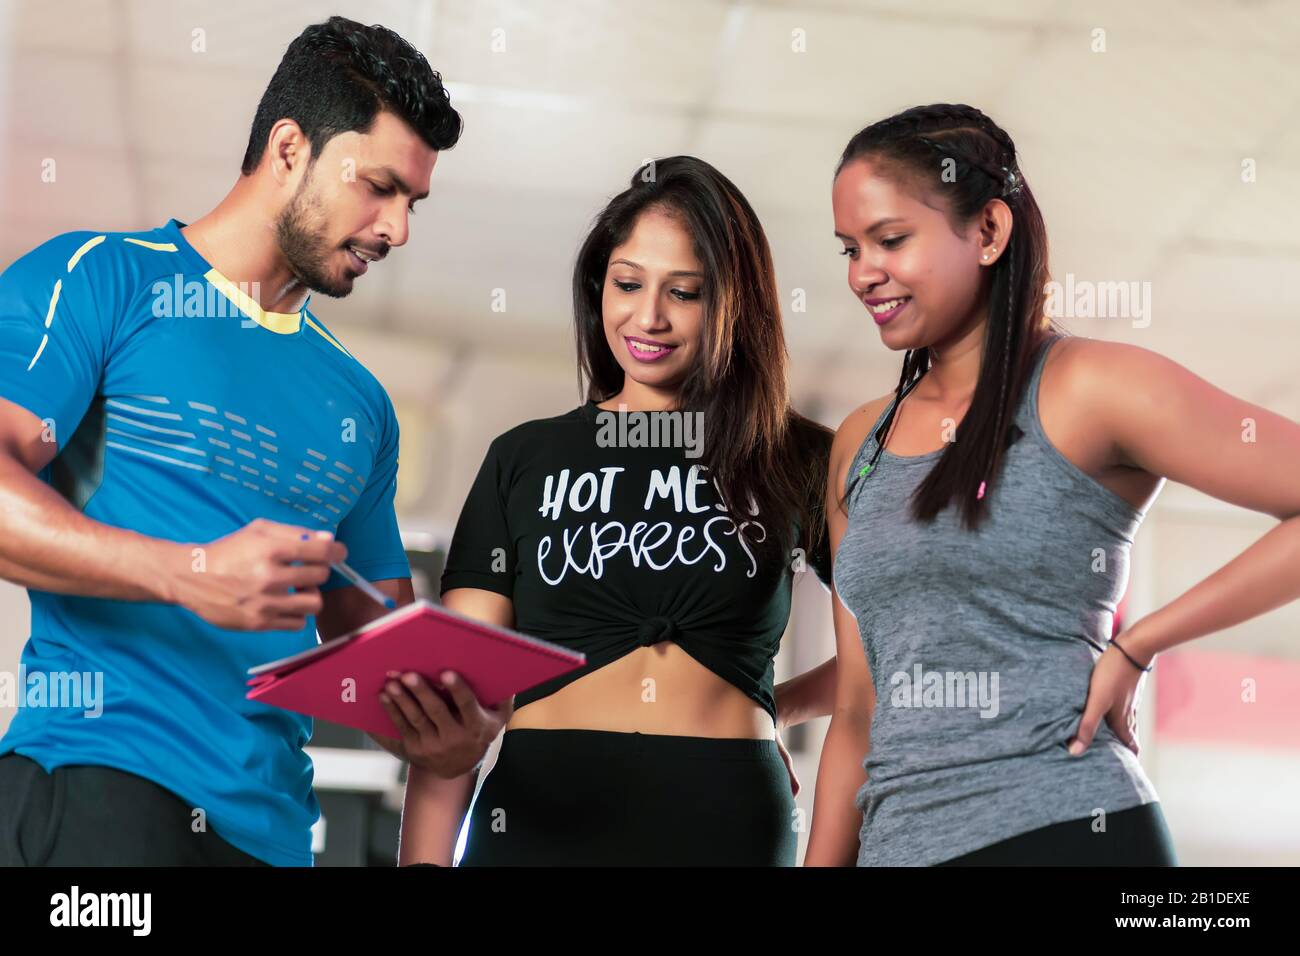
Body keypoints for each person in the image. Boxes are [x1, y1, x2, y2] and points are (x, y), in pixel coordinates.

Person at [0, 16, 506, 867]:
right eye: (378, 186)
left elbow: (374, 650)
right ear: (287, 149)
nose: (398, 229)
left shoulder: (361, 406)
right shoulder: (101, 277)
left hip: (273, 840)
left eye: (412, 201)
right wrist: (188, 573)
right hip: (99, 792)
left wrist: (445, 735)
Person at [805, 103, 1300, 867]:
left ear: (989, 233)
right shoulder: (858, 445)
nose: (863, 272)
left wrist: (1141, 643)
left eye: (891, 239)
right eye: (849, 248)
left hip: (1063, 830)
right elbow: (857, 709)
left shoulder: (1090, 387)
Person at [393, 156, 838, 866]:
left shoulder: (800, 458)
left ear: (733, 302)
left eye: (684, 292)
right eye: (628, 283)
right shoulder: (524, 459)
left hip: (726, 819)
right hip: (540, 815)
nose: (648, 317)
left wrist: (774, 703)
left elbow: (895, 649)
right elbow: (461, 699)